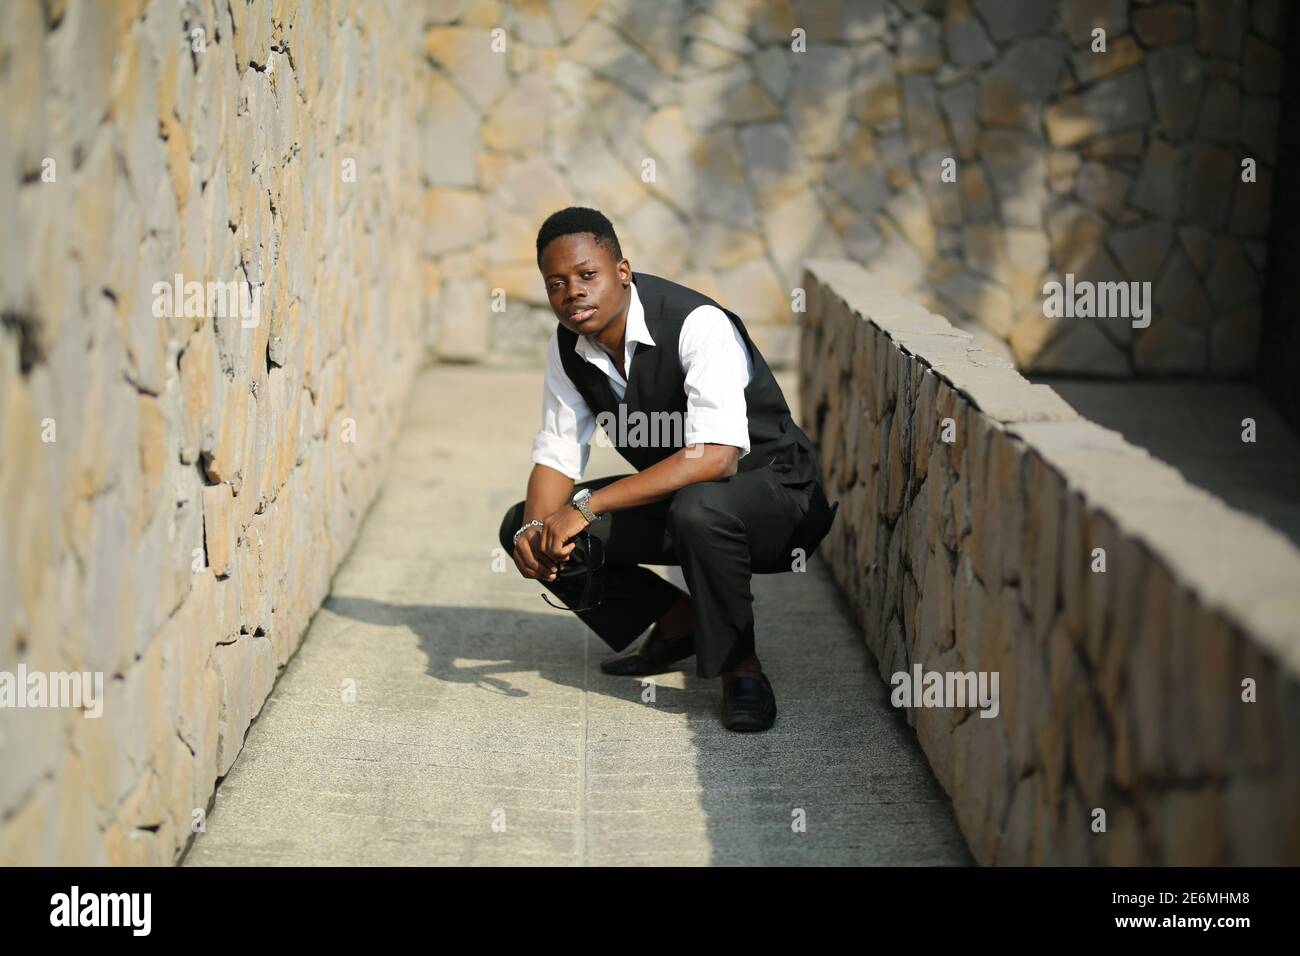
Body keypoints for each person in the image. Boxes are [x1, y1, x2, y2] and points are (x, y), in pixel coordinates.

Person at [497, 206, 837, 732]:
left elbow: (718, 455)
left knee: (697, 508)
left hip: (777, 495)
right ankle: (680, 622)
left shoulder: (697, 324)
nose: (573, 292)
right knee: (524, 521)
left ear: (623, 271)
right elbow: (559, 450)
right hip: (684, 500)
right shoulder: (568, 347)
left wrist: (587, 506)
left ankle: (740, 668)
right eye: (556, 283)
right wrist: (536, 531)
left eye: (588, 275)